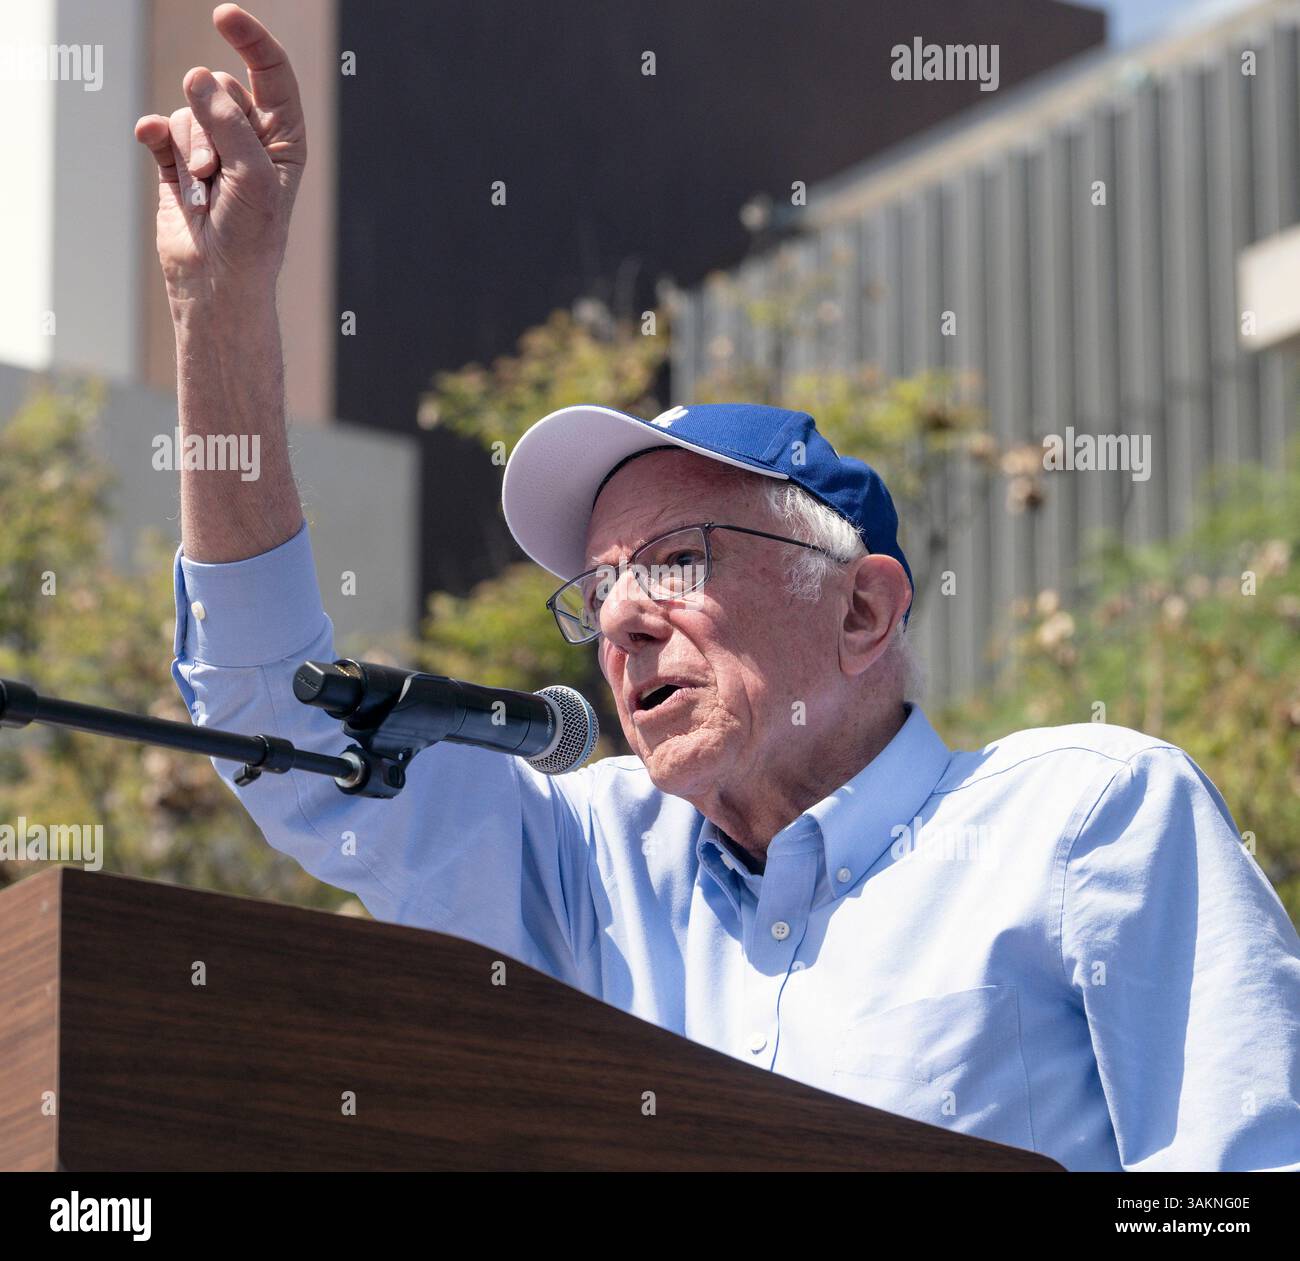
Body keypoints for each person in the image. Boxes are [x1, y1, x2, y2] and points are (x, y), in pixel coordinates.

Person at [137, 5, 1300, 1172]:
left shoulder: (1084, 820)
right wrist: (221, 305)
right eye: (598, 588)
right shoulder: (588, 863)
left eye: (678, 560)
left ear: (861, 610)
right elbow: (273, 711)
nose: (625, 617)